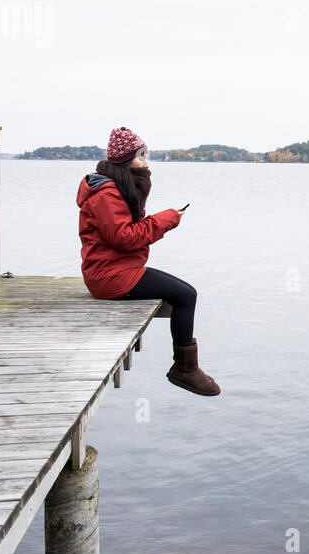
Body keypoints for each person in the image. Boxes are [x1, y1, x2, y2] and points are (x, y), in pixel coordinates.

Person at [76, 126, 219, 396]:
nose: (146, 162)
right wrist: (165, 219)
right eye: (141, 156)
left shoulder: (114, 189)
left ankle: (185, 367)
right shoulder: (106, 195)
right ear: (125, 161)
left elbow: (124, 233)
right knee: (186, 295)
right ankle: (185, 369)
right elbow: (126, 238)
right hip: (111, 277)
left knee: (184, 293)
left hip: (114, 271)